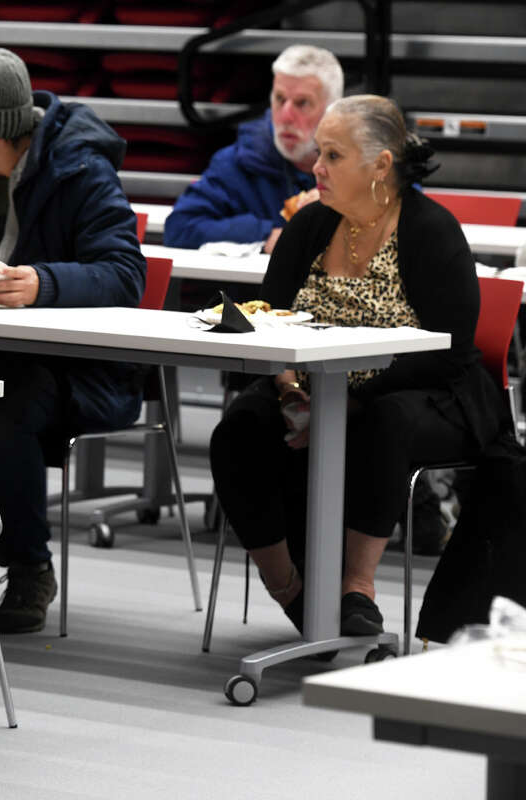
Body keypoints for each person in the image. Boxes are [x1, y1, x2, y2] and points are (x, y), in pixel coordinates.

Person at [209, 95, 507, 637]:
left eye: (333, 155)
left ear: (380, 166)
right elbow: (267, 320)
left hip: (424, 391)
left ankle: (356, 587)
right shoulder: (309, 226)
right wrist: (290, 392)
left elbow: (447, 352)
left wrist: (344, 403)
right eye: (319, 153)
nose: (316, 168)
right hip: (310, 386)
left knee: (385, 421)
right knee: (239, 429)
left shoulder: (430, 230)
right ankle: (292, 590)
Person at [0, 48, 146, 634]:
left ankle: (29, 565)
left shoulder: (80, 172)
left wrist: (45, 283)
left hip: (71, 366)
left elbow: (125, 273)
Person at [163, 45, 342, 253]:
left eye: (302, 103)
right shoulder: (238, 162)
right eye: (279, 99)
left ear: (332, 111)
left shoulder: (361, 166)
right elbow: (179, 228)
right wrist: (266, 235)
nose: (285, 116)